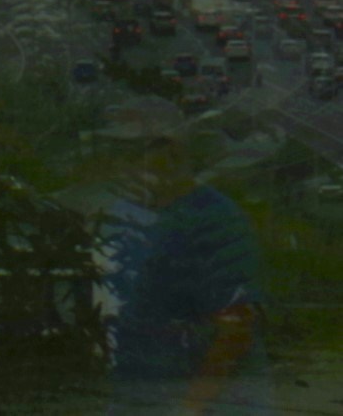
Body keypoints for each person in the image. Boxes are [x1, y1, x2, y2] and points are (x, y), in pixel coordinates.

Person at [110, 121, 269, 413]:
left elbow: (235, 328)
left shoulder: (214, 219)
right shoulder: (134, 216)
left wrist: (191, 407)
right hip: (144, 389)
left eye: (143, 158)